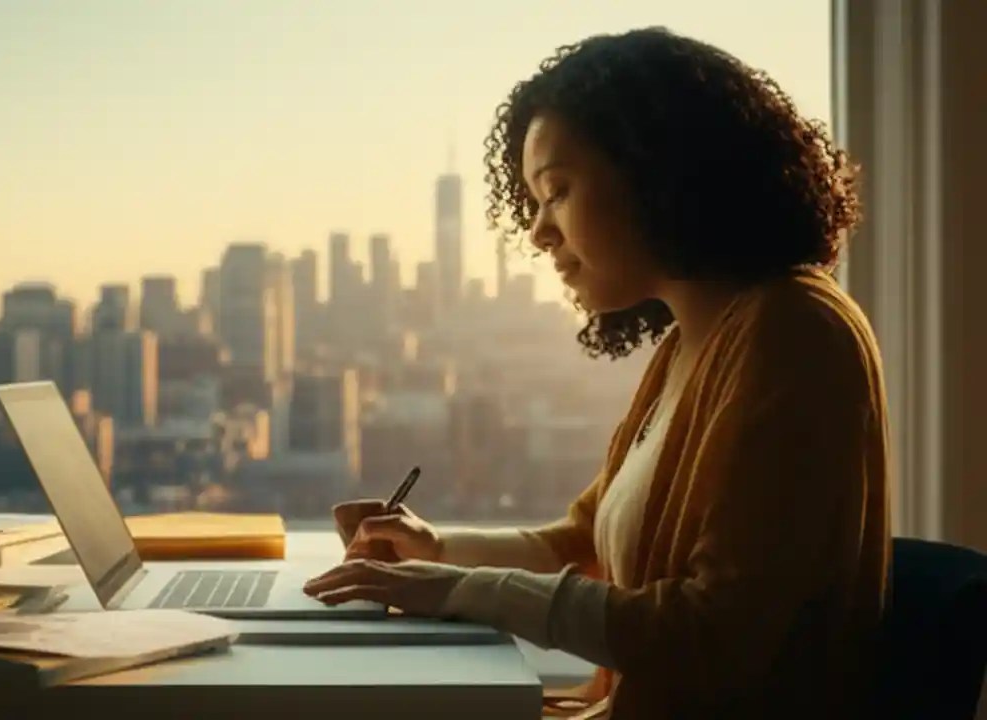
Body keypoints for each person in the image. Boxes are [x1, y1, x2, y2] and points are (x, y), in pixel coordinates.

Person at [303, 26, 890, 719]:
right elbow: (579, 543)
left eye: (556, 192)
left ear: (655, 169)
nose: (538, 231)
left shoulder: (794, 331)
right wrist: (435, 549)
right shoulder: (691, 343)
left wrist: (458, 588)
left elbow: (716, 634)